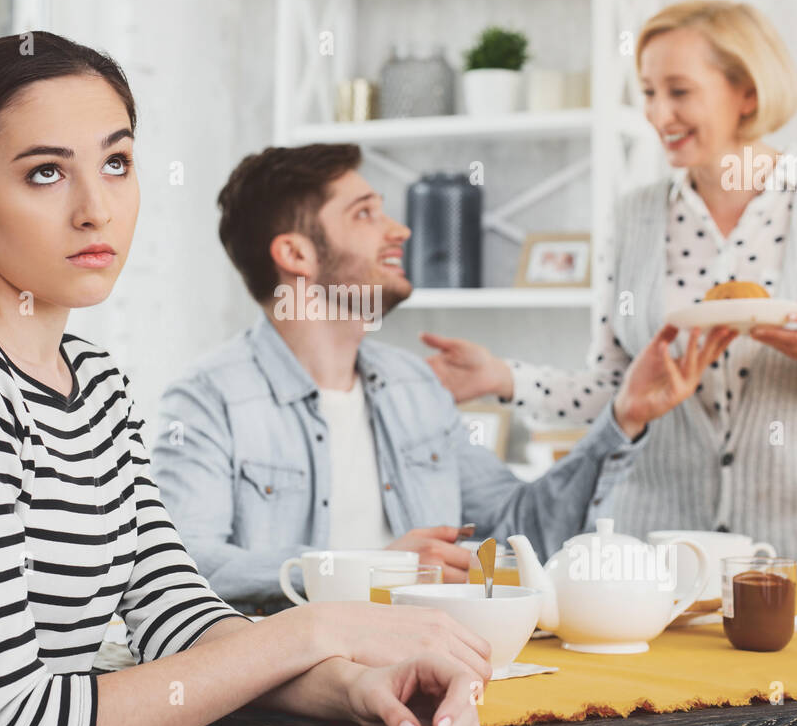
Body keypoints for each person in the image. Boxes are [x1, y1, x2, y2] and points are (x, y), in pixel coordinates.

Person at [0, 32, 494, 726]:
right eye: (46, 173)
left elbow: (172, 611)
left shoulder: (94, 382)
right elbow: (10, 725)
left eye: (116, 162)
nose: (97, 208)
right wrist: (317, 626)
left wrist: (353, 687)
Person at [423, 0, 797, 576]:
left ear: (746, 94)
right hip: (662, 563)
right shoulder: (634, 218)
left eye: (678, 91)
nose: (657, 113)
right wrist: (501, 378)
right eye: (648, 92)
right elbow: (615, 392)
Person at [152, 143, 735, 614]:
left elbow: (516, 531)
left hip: (438, 663)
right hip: (298, 693)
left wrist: (624, 418)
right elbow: (182, 568)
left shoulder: (412, 386)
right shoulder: (209, 400)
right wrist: (376, 570)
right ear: (296, 254)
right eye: (365, 214)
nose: (400, 230)